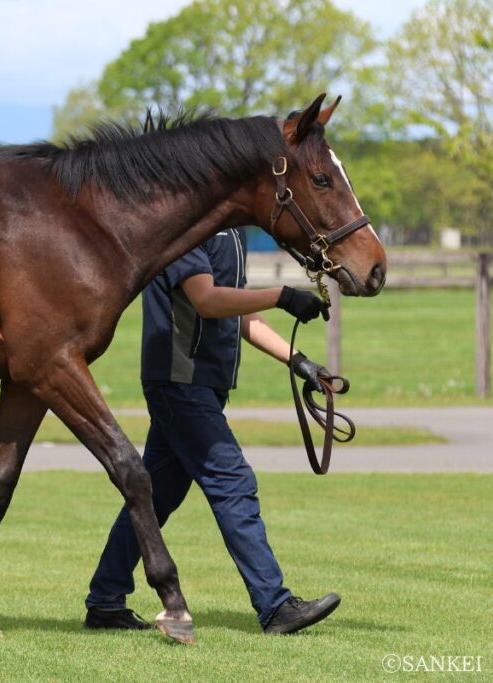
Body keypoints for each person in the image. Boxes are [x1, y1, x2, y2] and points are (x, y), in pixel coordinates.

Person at [83, 226, 340, 635]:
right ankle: (275, 606)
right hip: (179, 384)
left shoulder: (231, 234)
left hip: (199, 385)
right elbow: (207, 299)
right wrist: (282, 295)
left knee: (154, 498)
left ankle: (105, 602)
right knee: (233, 481)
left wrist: (299, 362)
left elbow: (239, 314)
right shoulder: (185, 227)